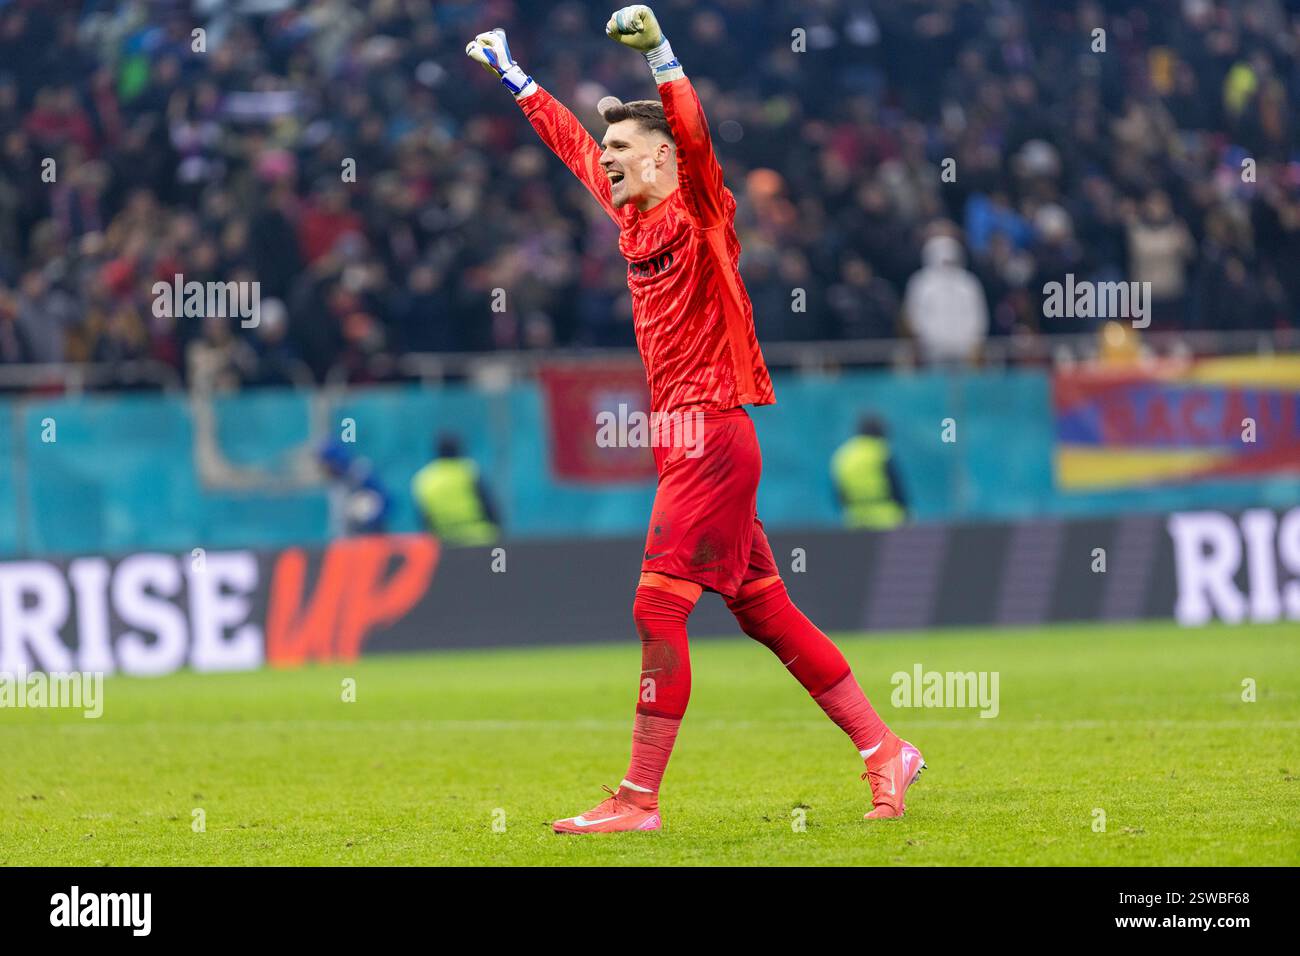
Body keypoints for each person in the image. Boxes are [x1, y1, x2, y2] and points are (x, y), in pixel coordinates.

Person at [466, 5, 924, 834]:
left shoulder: (700, 211)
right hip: (682, 438)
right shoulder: (632, 219)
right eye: (607, 153)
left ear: (663, 161)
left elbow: (696, 136)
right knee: (763, 609)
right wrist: (514, 77)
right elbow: (571, 145)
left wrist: (662, 58)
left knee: (658, 608)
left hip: (712, 428)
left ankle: (639, 799)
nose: (604, 161)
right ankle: (884, 749)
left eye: (621, 151)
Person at [411, 433, 500, 546]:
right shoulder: (468, 470)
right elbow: (489, 504)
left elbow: (423, 517)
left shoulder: (424, 478)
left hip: (444, 541)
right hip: (479, 537)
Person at [832, 416, 906, 529]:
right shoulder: (881, 451)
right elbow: (896, 486)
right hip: (886, 520)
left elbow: (838, 495)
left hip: (855, 521)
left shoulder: (843, 455)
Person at [317, 440, 391, 537]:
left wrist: (371, 512)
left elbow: (388, 503)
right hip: (345, 542)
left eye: (325, 463)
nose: (324, 468)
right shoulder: (335, 483)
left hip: (368, 539)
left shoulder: (360, 474)